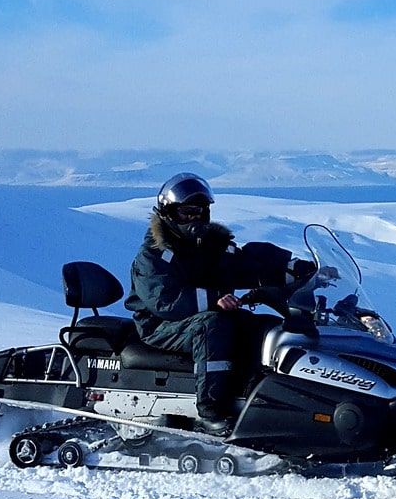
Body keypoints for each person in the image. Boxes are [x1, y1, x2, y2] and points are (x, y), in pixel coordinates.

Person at [124, 173, 306, 435]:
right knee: (212, 325)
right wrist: (214, 299)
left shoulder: (209, 246)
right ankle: (211, 410)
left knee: (265, 325)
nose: (195, 218)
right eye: (188, 212)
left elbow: (245, 263)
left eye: (200, 211)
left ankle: (262, 397)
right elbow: (165, 301)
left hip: (202, 317)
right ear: (169, 213)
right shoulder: (154, 255)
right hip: (160, 326)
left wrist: (292, 268)